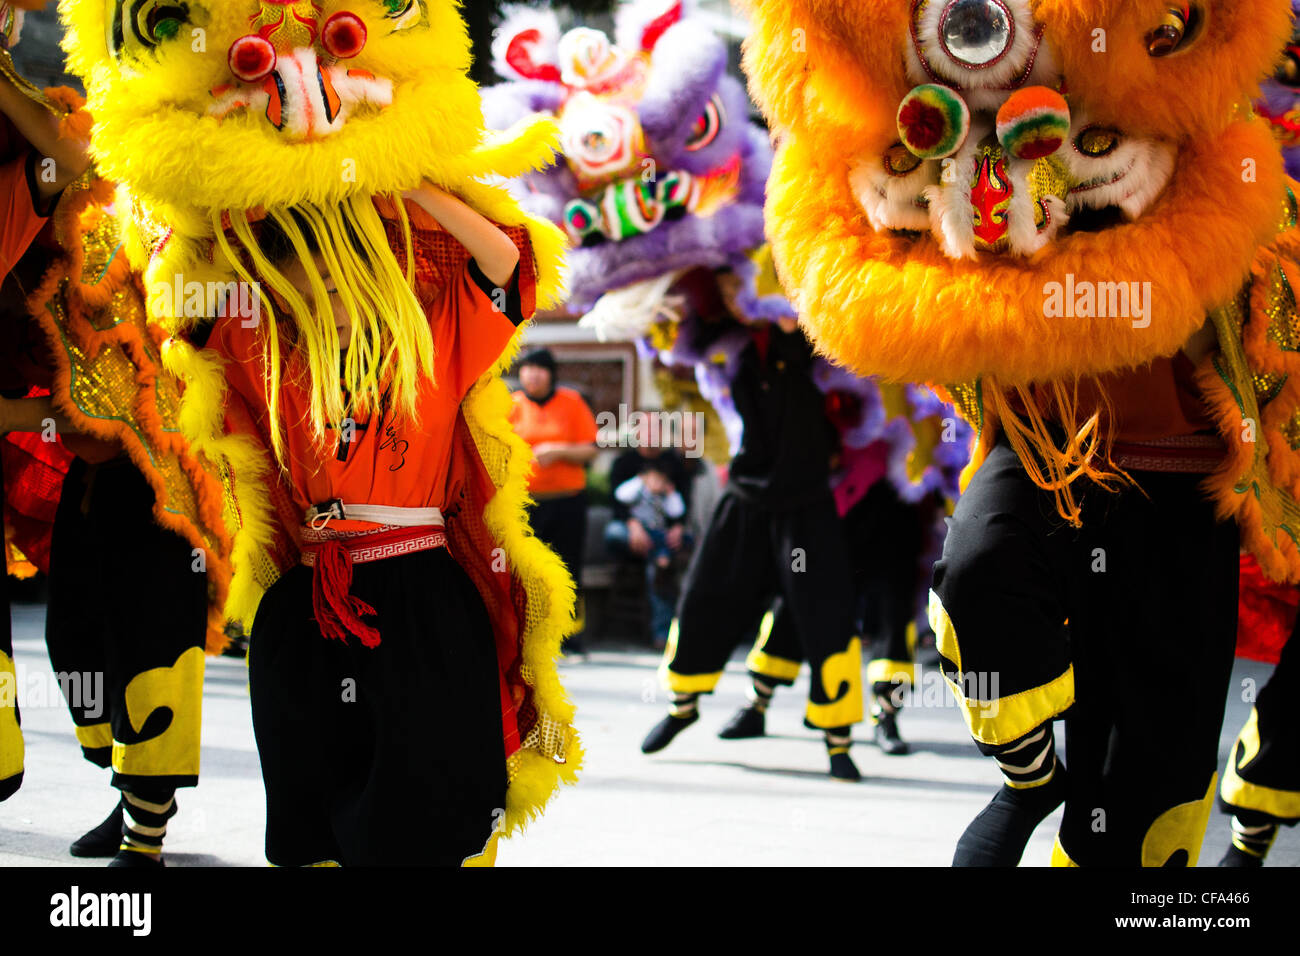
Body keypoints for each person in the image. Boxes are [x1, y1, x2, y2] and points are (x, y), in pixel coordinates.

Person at [640, 313, 864, 782]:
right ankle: (683, 707)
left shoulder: (832, 341)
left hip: (806, 503)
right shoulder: (731, 342)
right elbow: (678, 362)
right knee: (704, 595)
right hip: (745, 499)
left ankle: (837, 738)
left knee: (824, 612)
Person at [509, 348, 598, 649]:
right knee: (527, 570)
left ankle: (570, 636)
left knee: (568, 566)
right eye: (528, 367)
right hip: (525, 504)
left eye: (540, 368)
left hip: (568, 501)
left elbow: (590, 449)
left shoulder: (571, 403)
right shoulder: (512, 405)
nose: (533, 374)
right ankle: (530, 634)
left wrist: (558, 450)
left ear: (551, 374)